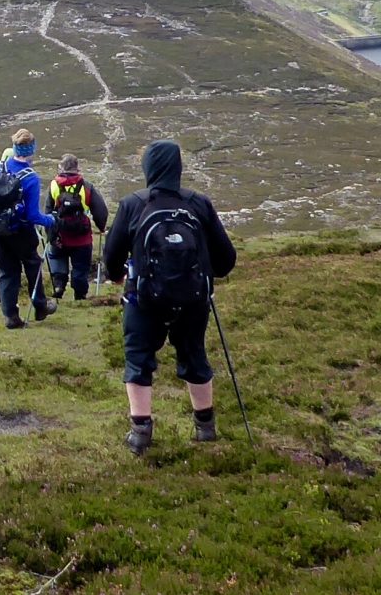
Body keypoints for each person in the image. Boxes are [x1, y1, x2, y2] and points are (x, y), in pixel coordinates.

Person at [102, 139, 237, 454]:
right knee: (194, 356)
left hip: (143, 299)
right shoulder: (198, 204)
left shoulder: (133, 204)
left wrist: (119, 275)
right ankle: (205, 428)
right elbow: (226, 259)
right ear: (178, 168)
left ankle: (140, 434)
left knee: (138, 360)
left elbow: (111, 258)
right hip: (193, 300)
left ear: (148, 168)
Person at [0, 128, 57, 328]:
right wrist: (50, 220)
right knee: (32, 264)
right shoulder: (31, 178)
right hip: (20, 231)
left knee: (6, 269)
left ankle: (10, 316)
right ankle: (40, 305)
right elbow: (32, 215)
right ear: (32, 149)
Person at [45, 154, 110, 301]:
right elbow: (101, 211)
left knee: (56, 258)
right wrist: (101, 226)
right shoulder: (86, 186)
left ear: (60, 167)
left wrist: (51, 236)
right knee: (81, 267)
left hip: (60, 234)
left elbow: (48, 212)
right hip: (82, 237)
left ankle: (59, 285)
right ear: (77, 168)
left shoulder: (53, 185)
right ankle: (80, 295)